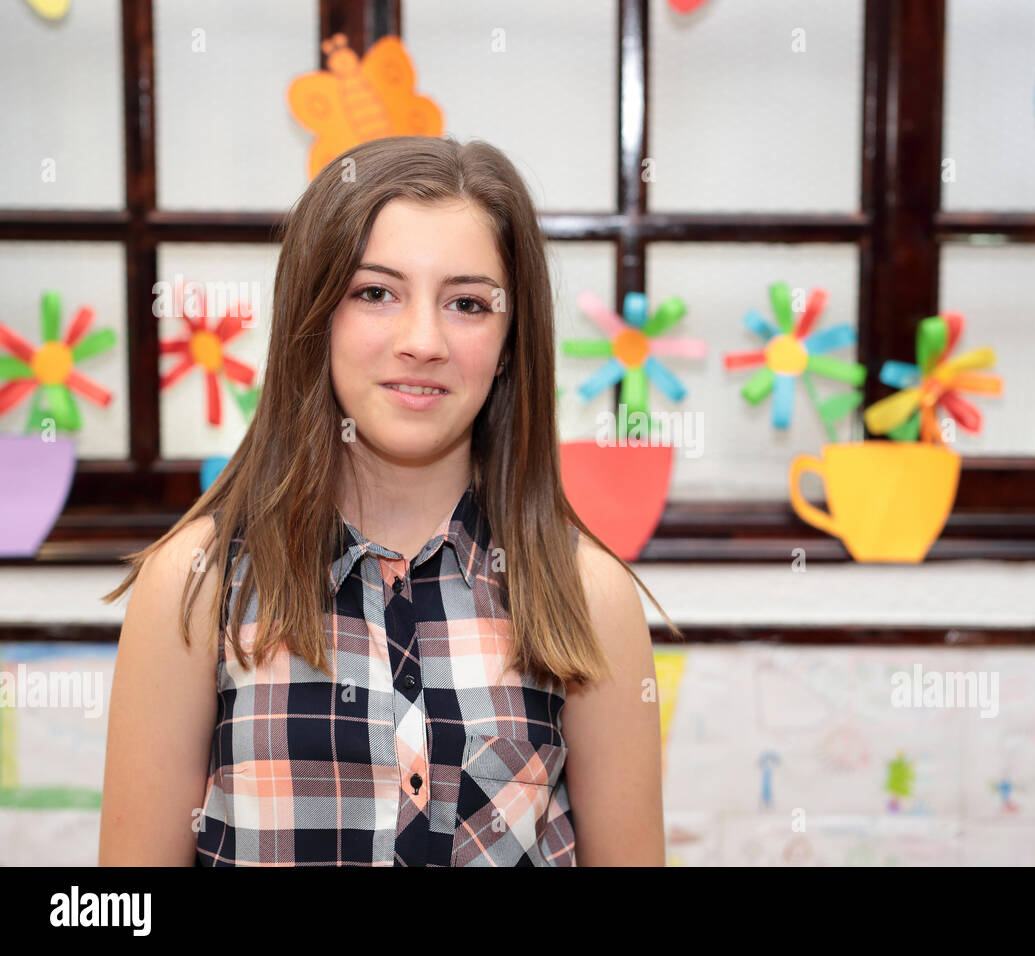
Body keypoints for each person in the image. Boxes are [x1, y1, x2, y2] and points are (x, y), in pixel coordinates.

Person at [98, 135, 681, 866]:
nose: (423, 340)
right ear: (316, 317)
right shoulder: (196, 583)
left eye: (467, 303)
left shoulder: (588, 597)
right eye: (376, 293)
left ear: (509, 342)